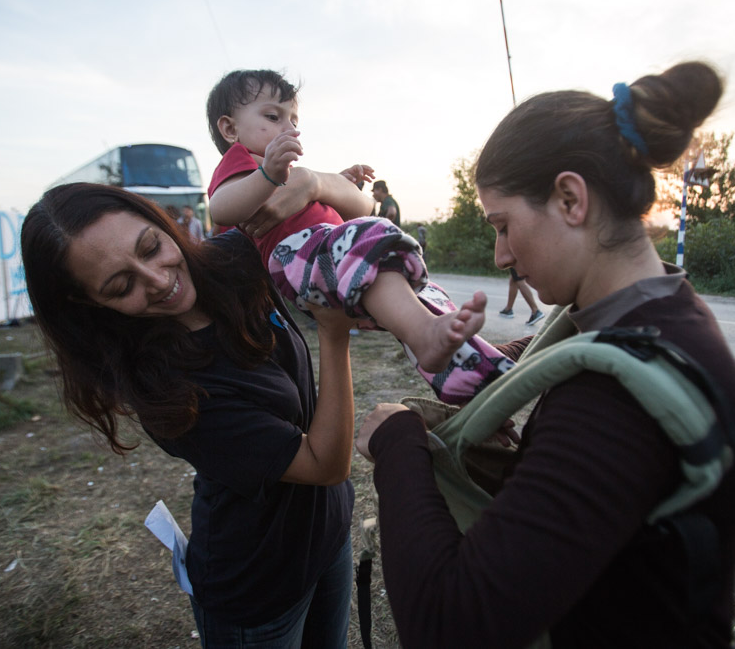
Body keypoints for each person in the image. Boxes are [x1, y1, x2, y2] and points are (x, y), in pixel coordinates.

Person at [355, 62, 735, 647]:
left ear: (571, 198)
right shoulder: (657, 314)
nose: (499, 255)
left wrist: (399, 444)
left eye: (503, 225)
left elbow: (452, 625)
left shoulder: (618, 396)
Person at [20, 182, 359, 648]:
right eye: (122, 286)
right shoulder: (167, 391)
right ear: (87, 302)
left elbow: (350, 207)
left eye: (151, 247)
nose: (158, 280)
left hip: (329, 535)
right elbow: (326, 464)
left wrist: (311, 183)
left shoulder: (233, 260)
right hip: (258, 587)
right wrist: (334, 336)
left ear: (164, 223)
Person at [205, 69, 511, 405]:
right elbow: (221, 208)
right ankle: (428, 338)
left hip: (331, 258)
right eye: (274, 116)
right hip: (298, 256)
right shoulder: (243, 164)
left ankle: (478, 384)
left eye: (294, 119)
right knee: (370, 239)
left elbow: (345, 205)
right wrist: (267, 176)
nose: (290, 129)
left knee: (425, 299)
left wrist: (339, 180)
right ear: (230, 129)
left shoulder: (285, 174)